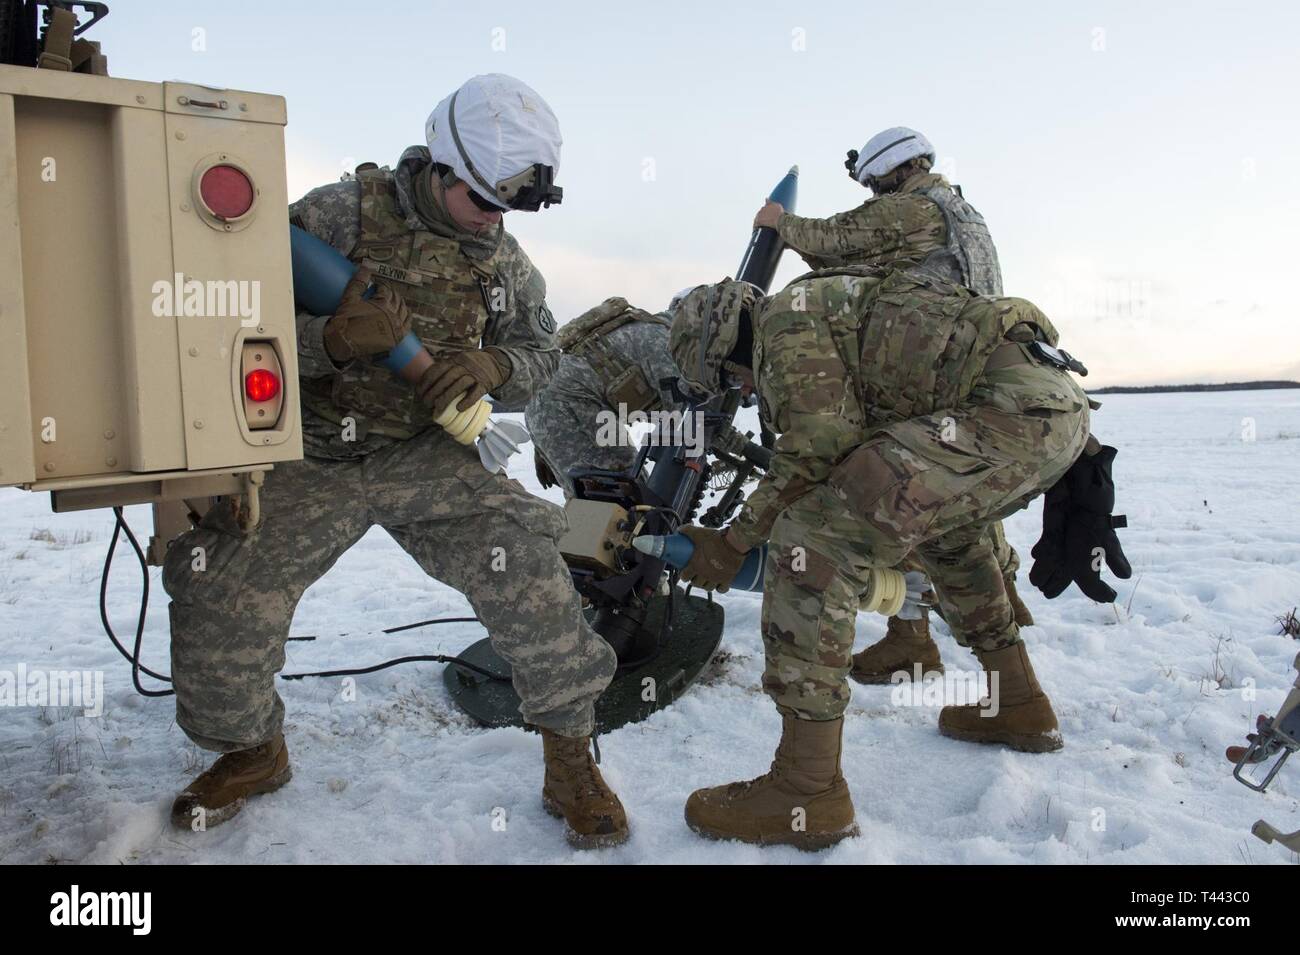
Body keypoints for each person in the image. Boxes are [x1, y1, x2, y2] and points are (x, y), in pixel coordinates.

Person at [163, 74, 627, 849]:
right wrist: (331, 341)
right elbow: (225, 319)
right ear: (441, 168)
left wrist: (491, 367)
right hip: (311, 452)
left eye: (508, 206)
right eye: (483, 200)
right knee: (217, 594)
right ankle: (251, 750)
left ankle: (569, 758)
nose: (494, 218)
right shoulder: (336, 216)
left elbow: (543, 353)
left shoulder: (503, 264)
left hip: (426, 456)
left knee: (532, 567)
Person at [669, 267, 1091, 847]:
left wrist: (731, 544)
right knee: (948, 536)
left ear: (723, 343)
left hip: (1003, 415)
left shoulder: (785, 322)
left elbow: (815, 453)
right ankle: (1017, 701)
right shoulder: (828, 304)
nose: (741, 389)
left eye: (729, 377)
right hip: (1051, 414)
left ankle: (806, 789)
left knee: (811, 536)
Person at [754, 126, 1032, 686]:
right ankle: (926, 635)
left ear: (890, 170)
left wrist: (778, 223)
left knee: (892, 504)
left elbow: (835, 239)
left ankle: (950, 636)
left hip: (915, 371)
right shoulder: (963, 216)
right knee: (936, 513)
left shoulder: (914, 209)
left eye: (873, 183)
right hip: (956, 371)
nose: (873, 193)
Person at [525, 297, 679, 497]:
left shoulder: (645, 327)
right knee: (625, 494)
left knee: (603, 499)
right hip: (568, 409)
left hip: (551, 405)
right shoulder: (662, 338)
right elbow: (685, 414)